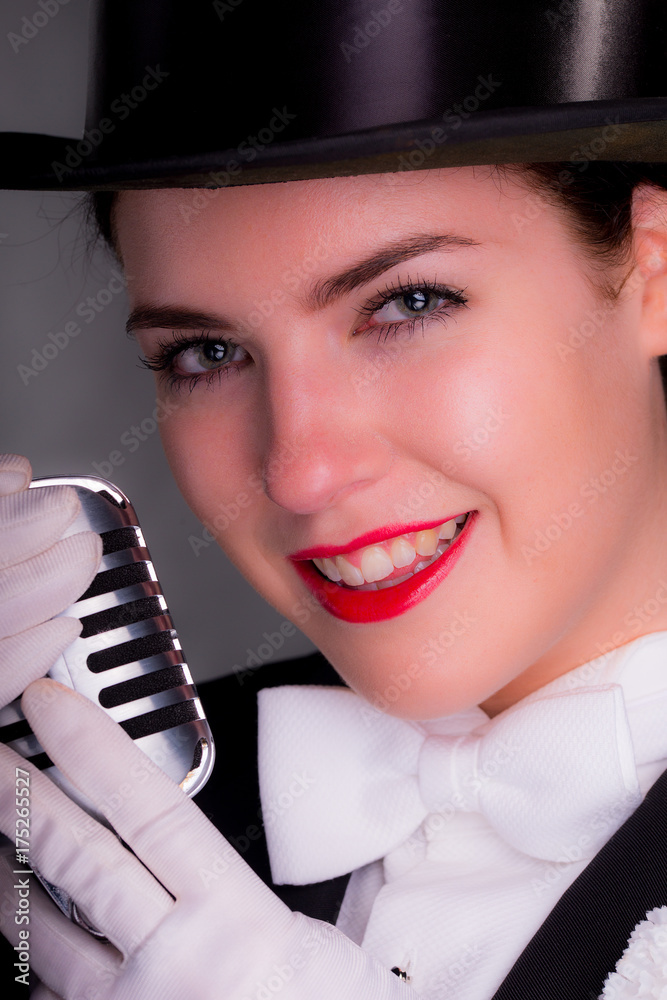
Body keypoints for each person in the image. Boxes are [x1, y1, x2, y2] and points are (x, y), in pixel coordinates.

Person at [2, 2, 667, 997]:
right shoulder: (93, 833)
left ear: (653, 269)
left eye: (407, 303)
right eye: (207, 353)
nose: (299, 471)